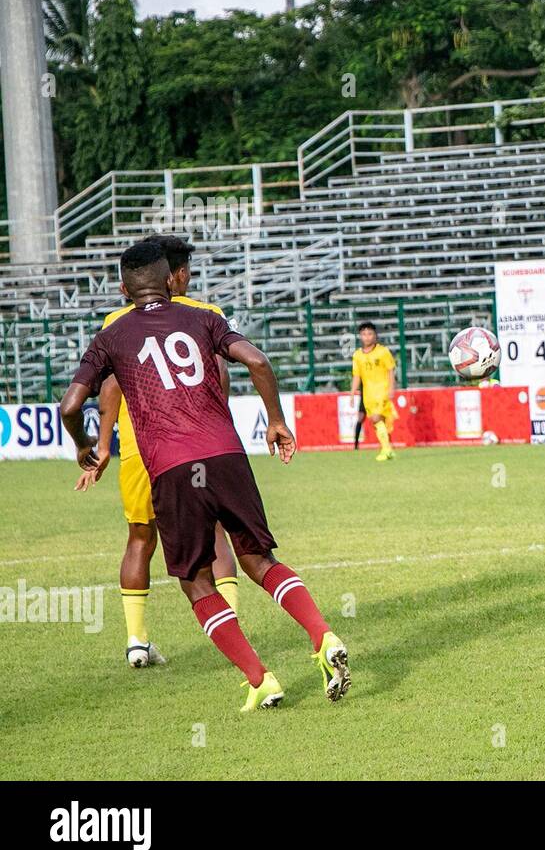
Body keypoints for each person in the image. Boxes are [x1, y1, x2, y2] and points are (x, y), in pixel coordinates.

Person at [60, 241, 352, 711]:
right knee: (258, 557)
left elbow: (71, 405)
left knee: (195, 581)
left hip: (172, 468)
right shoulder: (202, 317)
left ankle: (260, 679)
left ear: (122, 288)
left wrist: (85, 446)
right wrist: (276, 421)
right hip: (227, 455)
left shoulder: (112, 334)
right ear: (172, 281)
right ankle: (322, 635)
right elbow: (257, 361)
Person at [75, 234, 240, 669]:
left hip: (138, 452)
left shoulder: (115, 325)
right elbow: (221, 372)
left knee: (139, 539)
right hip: (197, 448)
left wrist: (105, 443)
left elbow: (107, 387)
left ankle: (135, 640)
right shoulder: (205, 314)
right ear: (174, 276)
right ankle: (231, 628)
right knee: (218, 531)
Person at [351, 321, 398, 461]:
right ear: (360, 336)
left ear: (375, 335)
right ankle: (389, 449)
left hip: (382, 391)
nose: (367, 337)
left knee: (376, 418)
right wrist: (352, 392)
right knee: (378, 422)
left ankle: (386, 450)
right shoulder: (357, 355)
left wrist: (391, 388)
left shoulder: (383, 352)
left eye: (370, 333)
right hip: (368, 394)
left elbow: (391, 371)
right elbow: (356, 375)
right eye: (364, 334)